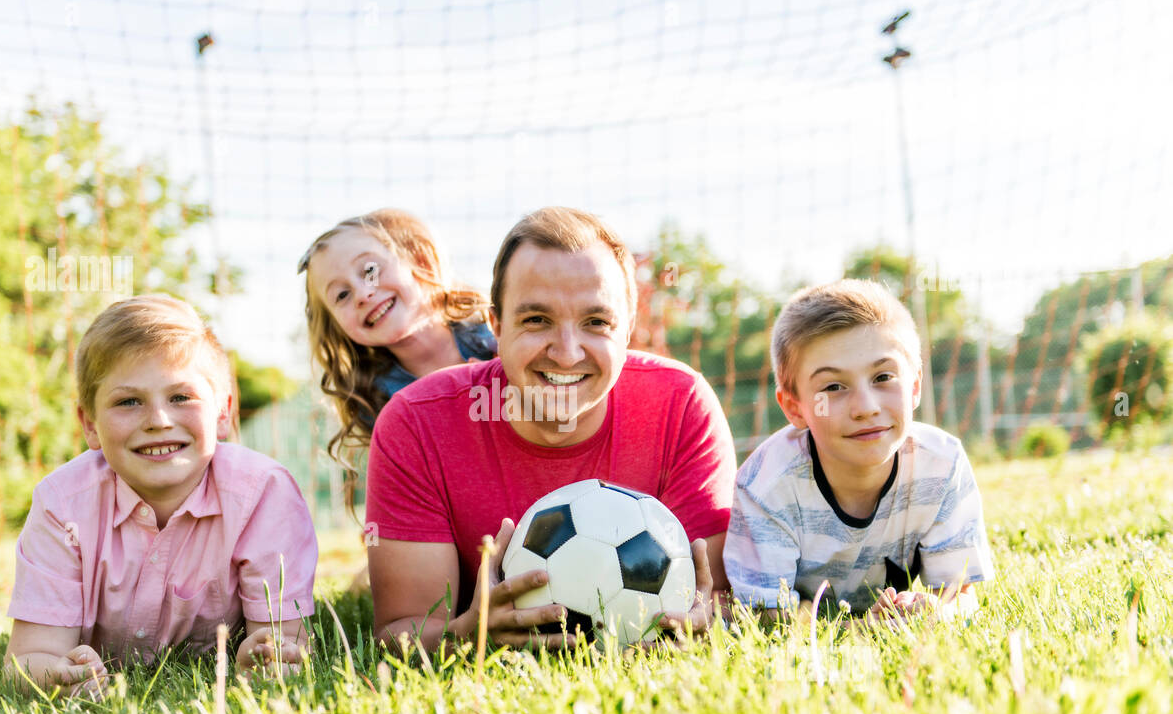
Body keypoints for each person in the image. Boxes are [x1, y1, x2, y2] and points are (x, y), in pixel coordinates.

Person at [364, 207, 737, 653]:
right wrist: (468, 635)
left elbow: (716, 602)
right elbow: (398, 632)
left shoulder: (681, 405)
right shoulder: (416, 423)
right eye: (537, 320)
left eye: (596, 322)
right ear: (496, 325)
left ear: (628, 330)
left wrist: (699, 621)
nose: (565, 353)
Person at [4, 294, 318, 698]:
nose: (158, 420)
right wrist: (60, 677)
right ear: (90, 424)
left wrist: (265, 659)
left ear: (223, 412)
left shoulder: (263, 494)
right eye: (128, 401)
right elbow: (28, 659)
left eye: (181, 397)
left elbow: (284, 645)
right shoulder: (61, 504)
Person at [723, 279, 994, 627]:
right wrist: (863, 630)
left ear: (914, 387)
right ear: (795, 407)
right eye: (833, 387)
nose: (865, 408)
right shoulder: (766, 485)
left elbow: (961, 597)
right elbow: (766, 618)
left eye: (883, 377)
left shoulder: (941, 465)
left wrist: (935, 612)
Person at [298, 209, 496, 486]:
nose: (363, 294)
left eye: (370, 270)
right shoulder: (377, 399)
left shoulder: (494, 332)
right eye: (342, 294)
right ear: (336, 326)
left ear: (417, 259)